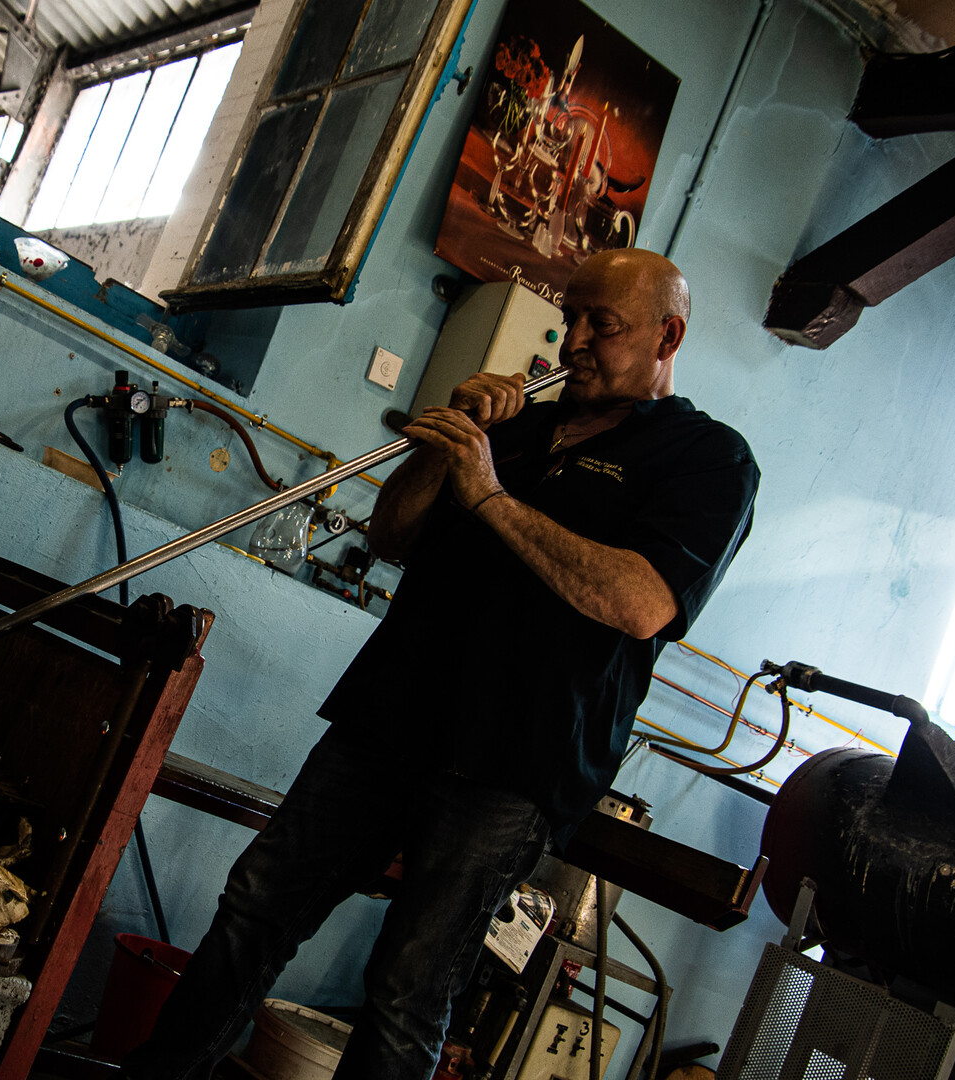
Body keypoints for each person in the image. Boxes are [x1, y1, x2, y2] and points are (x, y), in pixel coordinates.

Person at [121, 249, 760, 1080]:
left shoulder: (708, 459)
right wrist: (452, 445)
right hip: (388, 719)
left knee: (408, 991)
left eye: (604, 325)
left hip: (515, 762)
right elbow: (391, 538)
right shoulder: (521, 427)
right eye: (571, 320)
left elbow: (639, 603)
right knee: (255, 910)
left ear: (668, 334)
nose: (575, 343)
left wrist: (491, 495)